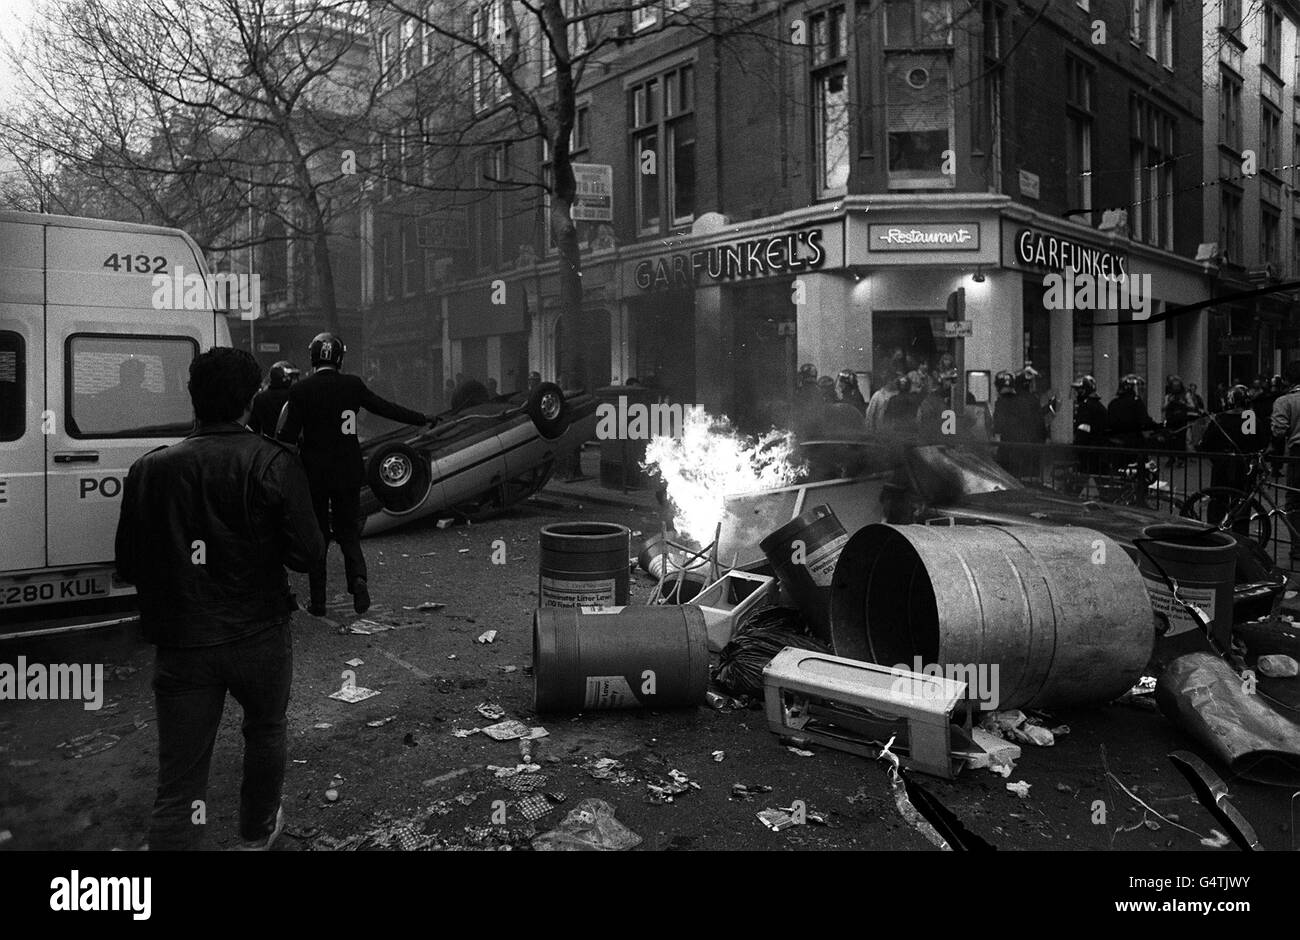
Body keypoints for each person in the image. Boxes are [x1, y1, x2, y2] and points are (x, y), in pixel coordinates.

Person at [115, 347, 325, 851]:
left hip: (183, 641)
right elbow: (308, 554)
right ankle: (255, 833)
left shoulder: (149, 470)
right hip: (260, 632)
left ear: (193, 398)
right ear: (250, 400)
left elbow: (128, 565)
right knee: (266, 731)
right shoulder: (274, 461)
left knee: (181, 775)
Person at [277, 333, 438, 616]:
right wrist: (421, 418)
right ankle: (359, 581)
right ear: (339, 358)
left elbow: (288, 436)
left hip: (314, 473)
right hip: (348, 469)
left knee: (319, 535)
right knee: (348, 531)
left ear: (314, 356)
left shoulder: (300, 390)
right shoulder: (352, 385)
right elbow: (385, 407)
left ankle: (318, 602)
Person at [1270, 361, 1300, 569]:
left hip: (1297, 454)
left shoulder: (1284, 401)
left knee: (1294, 501)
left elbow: (1278, 430)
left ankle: (1297, 545)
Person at [1070, 375, 1107, 490]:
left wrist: (1076, 447)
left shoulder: (1086, 407)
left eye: (1078, 391)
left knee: (1081, 477)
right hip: (1099, 448)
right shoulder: (1098, 405)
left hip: (1088, 450)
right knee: (1100, 479)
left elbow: (1083, 430)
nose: (1076, 394)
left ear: (1084, 390)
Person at [247, 360, 299, 437]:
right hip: (291, 445)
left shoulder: (260, 398)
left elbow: (254, 427)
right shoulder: (294, 397)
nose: (296, 380)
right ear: (285, 378)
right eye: (294, 377)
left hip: (267, 444)